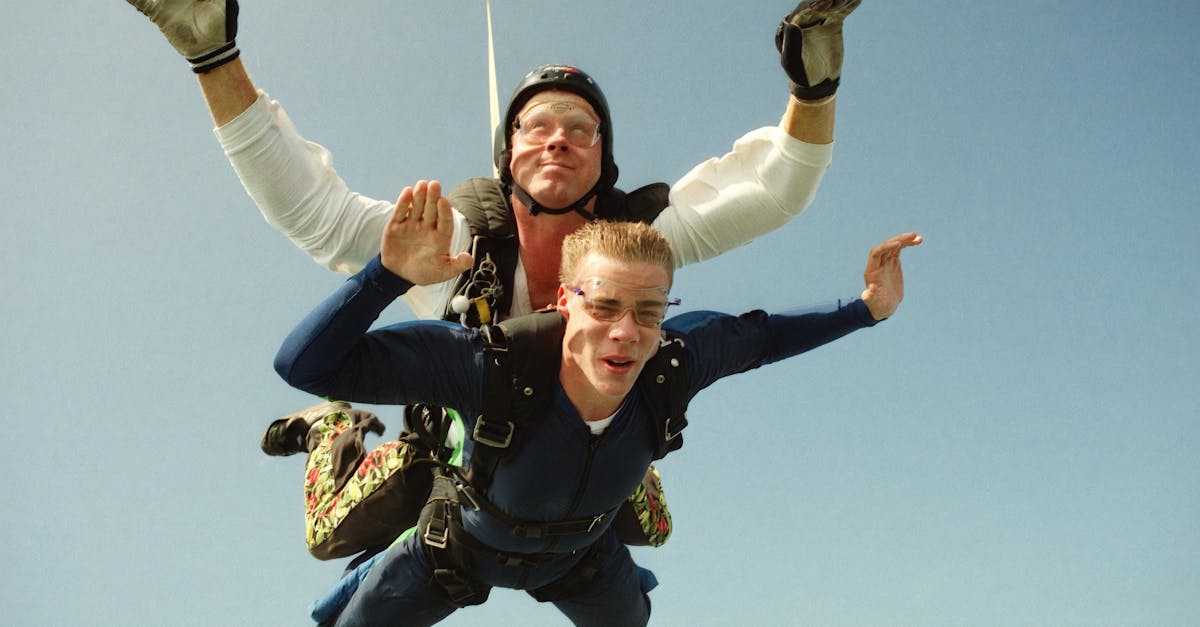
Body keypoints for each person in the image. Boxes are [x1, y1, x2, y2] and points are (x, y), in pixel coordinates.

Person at [125, 0, 864, 560]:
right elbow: (312, 211)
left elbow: (775, 192)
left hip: (580, 449)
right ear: (507, 154)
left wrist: (815, 84)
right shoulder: (450, 241)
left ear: (603, 162)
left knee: (655, 528)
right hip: (452, 454)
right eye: (537, 124)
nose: (559, 137)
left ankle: (607, 445)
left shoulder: (639, 240)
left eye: (581, 127)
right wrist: (213, 56)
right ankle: (336, 428)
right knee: (329, 533)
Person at [273, 192, 921, 625]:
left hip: (582, 556)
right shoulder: (488, 363)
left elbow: (768, 336)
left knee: (635, 605)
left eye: (647, 311)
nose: (626, 333)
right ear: (563, 301)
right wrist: (384, 275)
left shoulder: (677, 358)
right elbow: (304, 365)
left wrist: (867, 309)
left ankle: (624, 504)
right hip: (456, 549)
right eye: (605, 305)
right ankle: (338, 448)